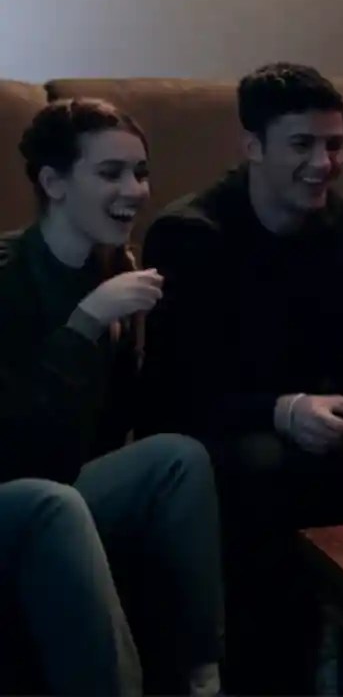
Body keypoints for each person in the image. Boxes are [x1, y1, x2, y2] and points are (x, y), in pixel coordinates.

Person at [136, 62, 343, 693]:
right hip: (227, 429)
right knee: (265, 463)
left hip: (332, 425)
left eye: (334, 144)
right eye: (302, 145)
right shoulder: (190, 234)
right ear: (252, 147)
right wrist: (283, 408)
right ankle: (266, 675)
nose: (324, 163)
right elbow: (175, 394)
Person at [0, 97, 223, 695]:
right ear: (53, 183)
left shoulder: (113, 271)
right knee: (54, 502)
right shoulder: (8, 275)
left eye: (140, 172)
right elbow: (19, 446)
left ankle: (203, 679)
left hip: (64, 486)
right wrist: (85, 325)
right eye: (110, 173)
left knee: (179, 456)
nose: (135, 190)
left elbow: (117, 427)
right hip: (16, 497)